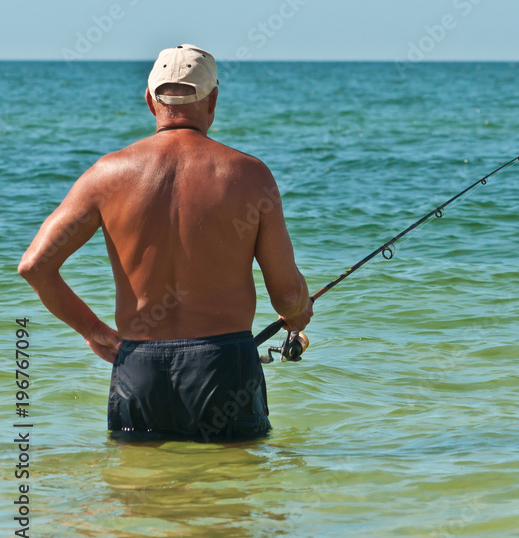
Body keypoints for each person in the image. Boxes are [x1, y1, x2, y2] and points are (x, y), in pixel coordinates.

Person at [18, 44, 313, 441]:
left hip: (138, 371)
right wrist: (297, 314)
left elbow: (35, 266)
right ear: (213, 100)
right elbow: (287, 295)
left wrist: (92, 330)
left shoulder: (107, 174)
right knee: (232, 497)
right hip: (223, 367)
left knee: (141, 497)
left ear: (149, 100)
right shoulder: (250, 175)